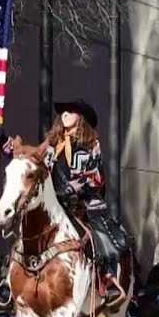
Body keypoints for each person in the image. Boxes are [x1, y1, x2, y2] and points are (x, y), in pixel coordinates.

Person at [35, 98, 131, 302]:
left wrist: (72, 189)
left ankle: (107, 278)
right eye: (63, 112)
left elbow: (95, 176)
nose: (65, 114)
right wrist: (7, 146)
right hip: (55, 204)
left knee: (101, 236)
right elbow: (34, 160)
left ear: (81, 117)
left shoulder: (91, 144)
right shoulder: (52, 145)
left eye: (70, 111)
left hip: (84, 205)